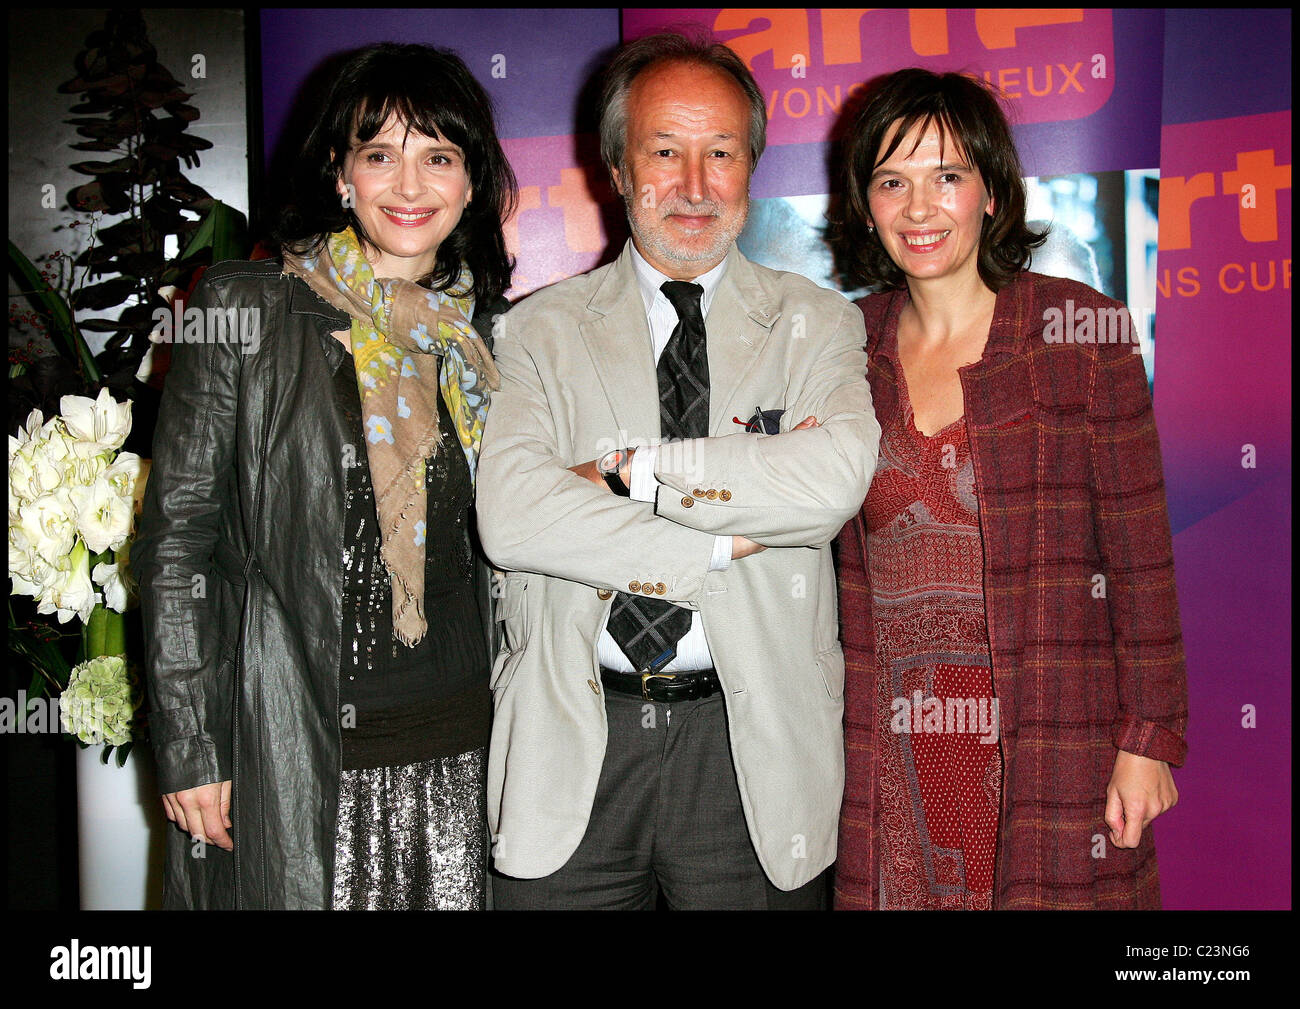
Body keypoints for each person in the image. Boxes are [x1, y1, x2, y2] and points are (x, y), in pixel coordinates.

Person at [475, 31, 879, 910]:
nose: (694, 187)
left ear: (752, 167)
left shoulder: (818, 325)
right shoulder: (532, 333)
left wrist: (624, 471)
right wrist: (719, 542)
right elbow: (511, 517)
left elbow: (829, 485)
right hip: (572, 745)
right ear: (617, 169)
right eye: (665, 151)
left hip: (749, 751)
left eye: (721, 153)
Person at [133, 43, 516, 909]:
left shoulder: (490, 337)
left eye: (438, 157)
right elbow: (177, 537)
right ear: (341, 174)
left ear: (469, 182)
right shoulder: (247, 307)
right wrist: (192, 741)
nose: (409, 184)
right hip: (294, 753)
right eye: (379, 154)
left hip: (460, 750)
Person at [831, 68, 1187, 909]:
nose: (919, 209)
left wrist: (1148, 739)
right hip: (894, 743)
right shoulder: (844, 348)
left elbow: (1140, 560)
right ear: (866, 202)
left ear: (990, 191)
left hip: (1048, 724)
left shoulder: (1081, 333)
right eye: (893, 181)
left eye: (946, 176)